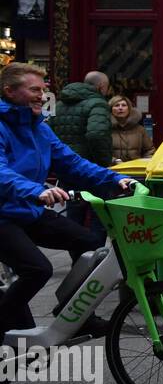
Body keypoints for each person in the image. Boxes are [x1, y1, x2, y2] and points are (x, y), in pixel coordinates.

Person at [0, 63, 134, 340]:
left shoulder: (39, 127)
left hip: (27, 211)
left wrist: (114, 179)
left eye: (44, 89)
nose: (42, 94)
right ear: (10, 92)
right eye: (34, 89)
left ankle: (74, 314)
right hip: (4, 215)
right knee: (37, 269)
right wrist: (35, 191)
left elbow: (72, 163)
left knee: (88, 243)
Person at [50, 69, 113, 244]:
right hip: (90, 167)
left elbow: (49, 134)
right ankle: (93, 258)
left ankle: (77, 258)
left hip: (65, 168)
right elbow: (97, 134)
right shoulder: (97, 104)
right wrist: (104, 162)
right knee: (98, 213)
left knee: (74, 213)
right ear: (101, 87)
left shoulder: (60, 105)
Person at [109, 95, 154, 164]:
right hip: (113, 170)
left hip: (135, 170)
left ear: (129, 109)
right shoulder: (106, 129)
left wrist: (144, 163)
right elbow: (100, 151)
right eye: (117, 105)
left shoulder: (140, 130)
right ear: (111, 109)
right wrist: (114, 161)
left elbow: (149, 150)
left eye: (124, 105)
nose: (120, 108)